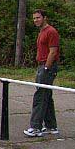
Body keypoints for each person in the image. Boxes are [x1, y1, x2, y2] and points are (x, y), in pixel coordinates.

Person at [24, 9, 60, 137]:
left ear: (44, 17)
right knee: (46, 96)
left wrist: (46, 68)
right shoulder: (42, 32)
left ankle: (35, 127)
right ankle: (51, 126)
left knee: (40, 96)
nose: (36, 20)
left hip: (47, 67)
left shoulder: (51, 31)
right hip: (41, 65)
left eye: (38, 18)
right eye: (34, 18)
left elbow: (53, 51)